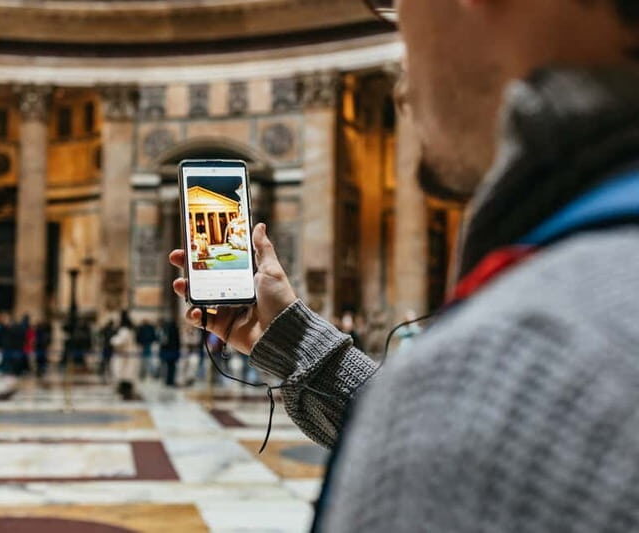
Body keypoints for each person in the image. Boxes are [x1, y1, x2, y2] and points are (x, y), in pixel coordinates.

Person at [170, 1, 639, 530]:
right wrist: (295, 342)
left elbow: (461, 432)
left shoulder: (520, 358)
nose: (399, 75)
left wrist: (419, 404)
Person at [110, 311, 138, 400]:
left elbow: (120, 341)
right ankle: (125, 393)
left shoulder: (124, 330)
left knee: (124, 375)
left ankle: (125, 394)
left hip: (125, 357)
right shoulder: (128, 329)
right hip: (125, 356)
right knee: (125, 375)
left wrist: (112, 340)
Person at [158, 319, 181, 387]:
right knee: (172, 367)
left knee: (167, 367)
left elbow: (163, 342)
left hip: (168, 351)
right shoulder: (175, 330)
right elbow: (177, 342)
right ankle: (170, 381)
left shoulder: (165, 330)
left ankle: (168, 381)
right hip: (173, 351)